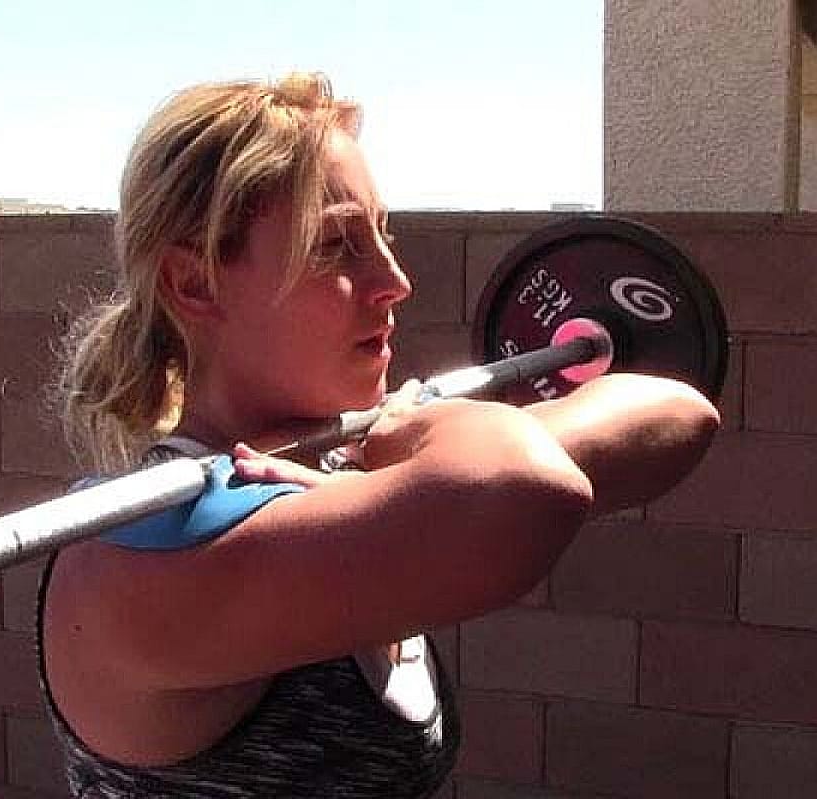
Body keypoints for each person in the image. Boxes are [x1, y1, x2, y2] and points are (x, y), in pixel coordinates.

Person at [38, 72, 719, 798]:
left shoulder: (366, 466)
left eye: (382, 235)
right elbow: (531, 488)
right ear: (197, 283)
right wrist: (417, 438)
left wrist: (389, 459)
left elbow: (676, 411)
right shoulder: (134, 558)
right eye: (335, 245)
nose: (394, 280)